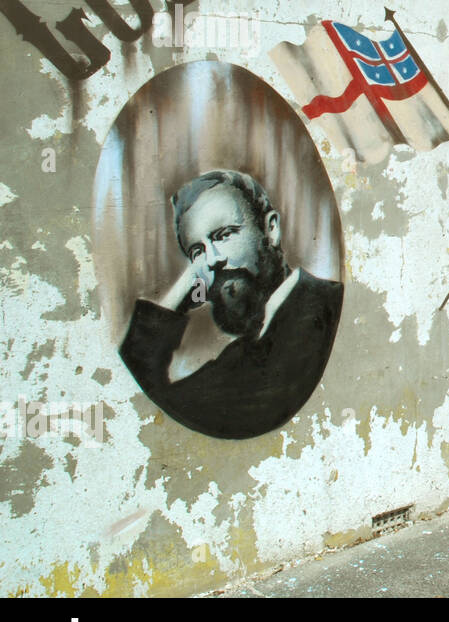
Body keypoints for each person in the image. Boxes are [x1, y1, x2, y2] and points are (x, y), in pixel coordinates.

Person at [118, 169, 343, 439]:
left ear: (271, 229)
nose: (211, 260)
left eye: (223, 235)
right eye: (197, 251)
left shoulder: (331, 305)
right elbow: (147, 398)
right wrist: (178, 295)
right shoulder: (233, 362)